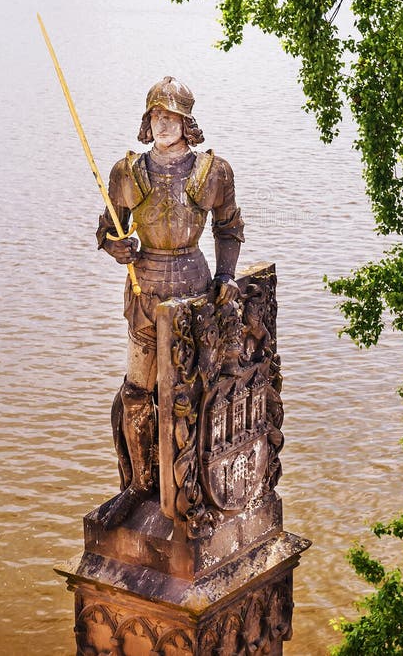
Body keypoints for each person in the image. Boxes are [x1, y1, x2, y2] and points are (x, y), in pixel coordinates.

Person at [96, 77, 244, 527]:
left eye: (171, 116)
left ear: (186, 123)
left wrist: (226, 276)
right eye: (156, 116)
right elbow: (107, 229)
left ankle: (193, 488)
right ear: (148, 121)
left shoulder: (213, 172)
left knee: (189, 393)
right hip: (145, 291)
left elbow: (228, 228)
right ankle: (140, 486)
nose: (162, 124)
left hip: (194, 290)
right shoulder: (127, 172)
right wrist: (116, 246)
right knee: (137, 393)